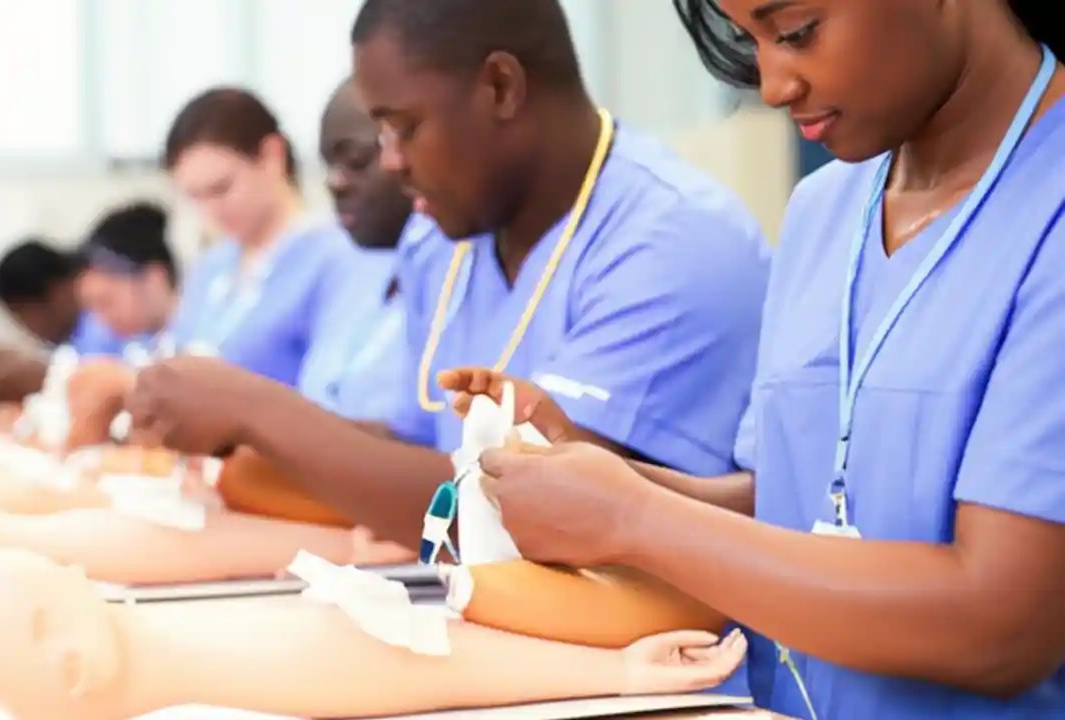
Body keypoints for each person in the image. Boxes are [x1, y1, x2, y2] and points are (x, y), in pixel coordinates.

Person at [445, 2, 1065, 718]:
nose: (772, 85)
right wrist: (595, 471)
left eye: (797, 32)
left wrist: (635, 518)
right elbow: (789, 506)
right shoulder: (824, 208)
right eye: (750, 40)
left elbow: (1003, 624)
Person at [127, 0, 771, 550]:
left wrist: (254, 409)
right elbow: (410, 447)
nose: (392, 163)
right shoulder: (438, 238)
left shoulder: (672, 240)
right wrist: (230, 423)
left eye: (403, 128)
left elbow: (530, 515)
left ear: (500, 87)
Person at [161, 87, 354, 385]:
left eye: (221, 188)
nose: (211, 210)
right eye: (195, 197)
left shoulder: (337, 257)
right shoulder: (210, 268)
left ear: (271, 156)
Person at [295, 77, 426, 422]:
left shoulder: (463, 276)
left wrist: (254, 415)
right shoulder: (352, 268)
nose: (335, 182)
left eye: (356, 160)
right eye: (328, 165)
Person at [0, 238, 129, 408]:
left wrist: (43, 377)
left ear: (57, 293)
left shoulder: (101, 325)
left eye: (23, 316)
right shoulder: (73, 337)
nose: (26, 330)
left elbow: (102, 386)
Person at [76, 202, 179, 356]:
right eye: (93, 309)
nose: (101, 320)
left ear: (154, 279)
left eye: (106, 302)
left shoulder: (207, 337)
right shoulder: (134, 349)